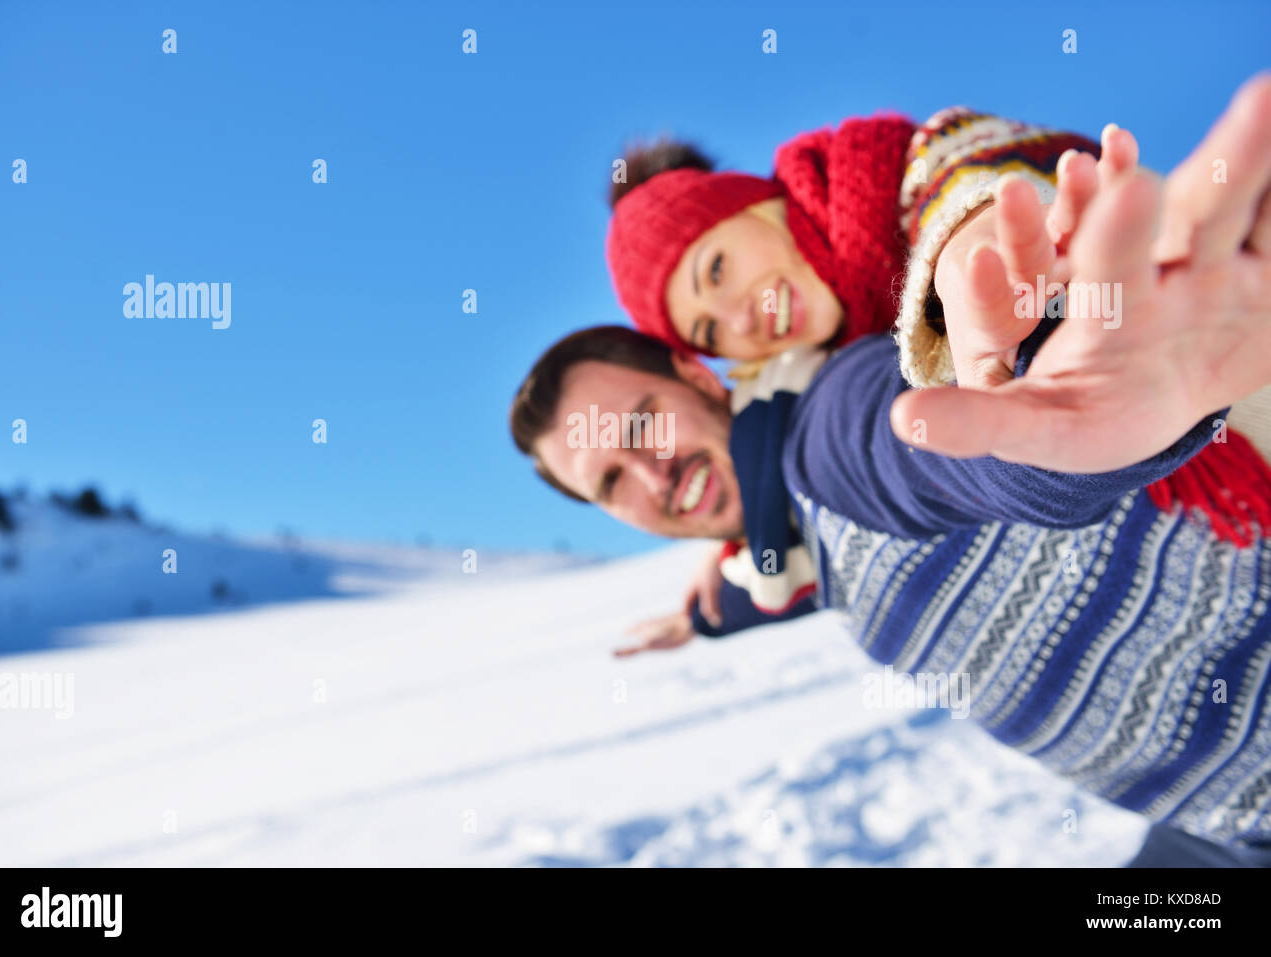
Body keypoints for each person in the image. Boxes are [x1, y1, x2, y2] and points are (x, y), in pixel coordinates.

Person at [508, 75, 1271, 855]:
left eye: (642, 426)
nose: (652, 475)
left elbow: (932, 454)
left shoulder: (823, 428)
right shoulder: (778, 544)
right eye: (609, 482)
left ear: (700, 378)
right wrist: (705, 615)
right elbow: (780, 573)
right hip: (1218, 826)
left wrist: (1045, 395)